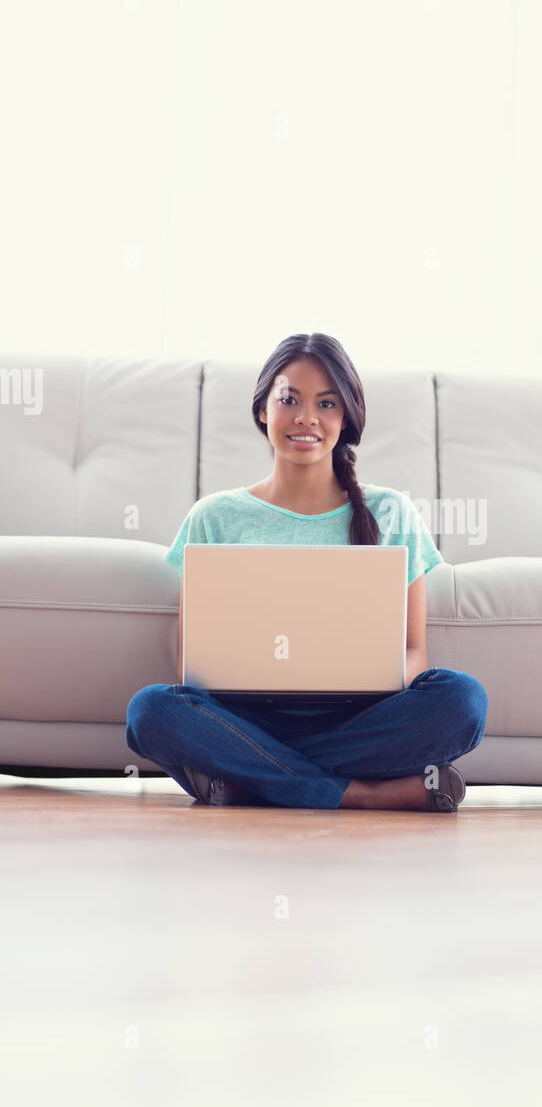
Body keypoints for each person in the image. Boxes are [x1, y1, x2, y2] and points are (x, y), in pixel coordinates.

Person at [126, 333, 488, 812]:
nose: (306, 418)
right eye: (289, 399)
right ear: (262, 409)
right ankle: (359, 794)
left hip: (363, 717)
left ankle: (252, 782)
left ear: (346, 416)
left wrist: (364, 672)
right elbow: (191, 668)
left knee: (463, 700)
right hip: (248, 719)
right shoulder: (213, 517)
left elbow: (414, 651)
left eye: (326, 403)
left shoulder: (392, 511)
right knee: (152, 711)